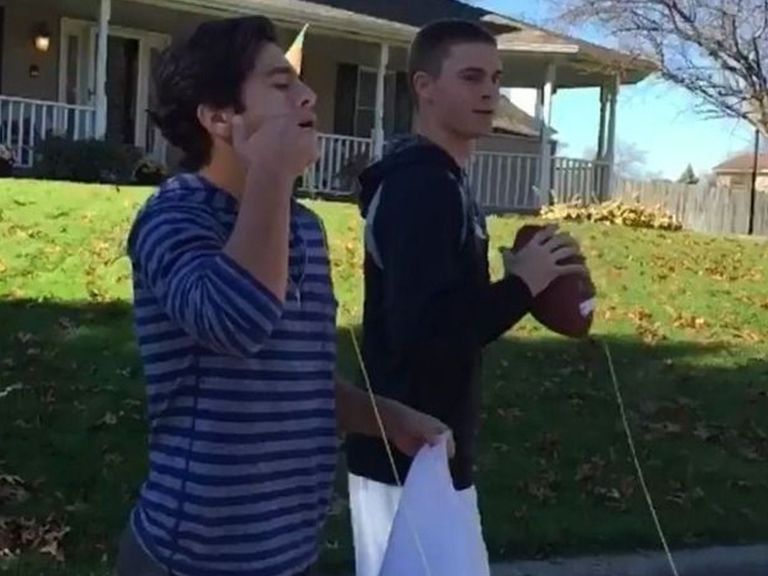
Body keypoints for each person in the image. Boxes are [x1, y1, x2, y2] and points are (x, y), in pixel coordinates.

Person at [116, 16, 453, 576]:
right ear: (219, 117)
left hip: (290, 555)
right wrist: (272, 171)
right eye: (280, 84)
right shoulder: (173, 217)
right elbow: (238, 320)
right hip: (192, 559)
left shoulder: (304, 229)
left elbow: (297, 382)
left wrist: (388, 418)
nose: (308, 93)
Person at [344, 19, 587, 576]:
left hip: (433, 449)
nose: (489, 92)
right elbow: (426, 332)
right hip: (407, 458)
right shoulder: (420, 187)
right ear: (424, 86)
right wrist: (523, 284)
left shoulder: (443, 180)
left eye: (496, 79)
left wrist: (510, 286)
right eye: (472, 76)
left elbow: (443, 312)